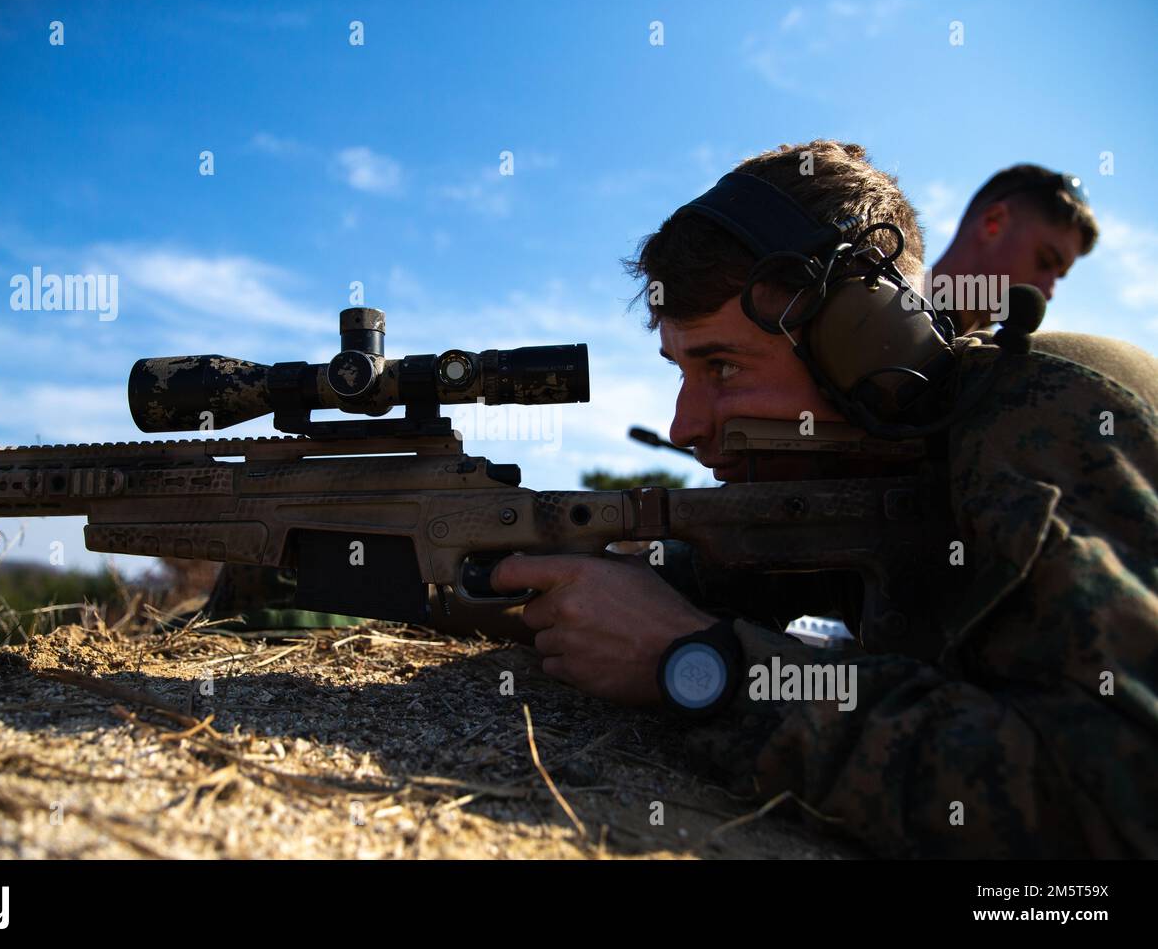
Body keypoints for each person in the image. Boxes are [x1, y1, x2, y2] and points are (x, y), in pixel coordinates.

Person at [490, 140, 1158, 858]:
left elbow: (1115, 801)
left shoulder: (1044, 419)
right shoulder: (864, 470)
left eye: (721, 366)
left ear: (865, 347)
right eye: (682, 370)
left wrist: (699, 667)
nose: (684, 426)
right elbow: (723, 578)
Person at [932, 164, 1100, 333]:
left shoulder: (991, 356)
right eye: (1045, 261)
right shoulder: (906, 319)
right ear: (993, 222)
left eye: (1059, 275)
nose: (1049, 293)